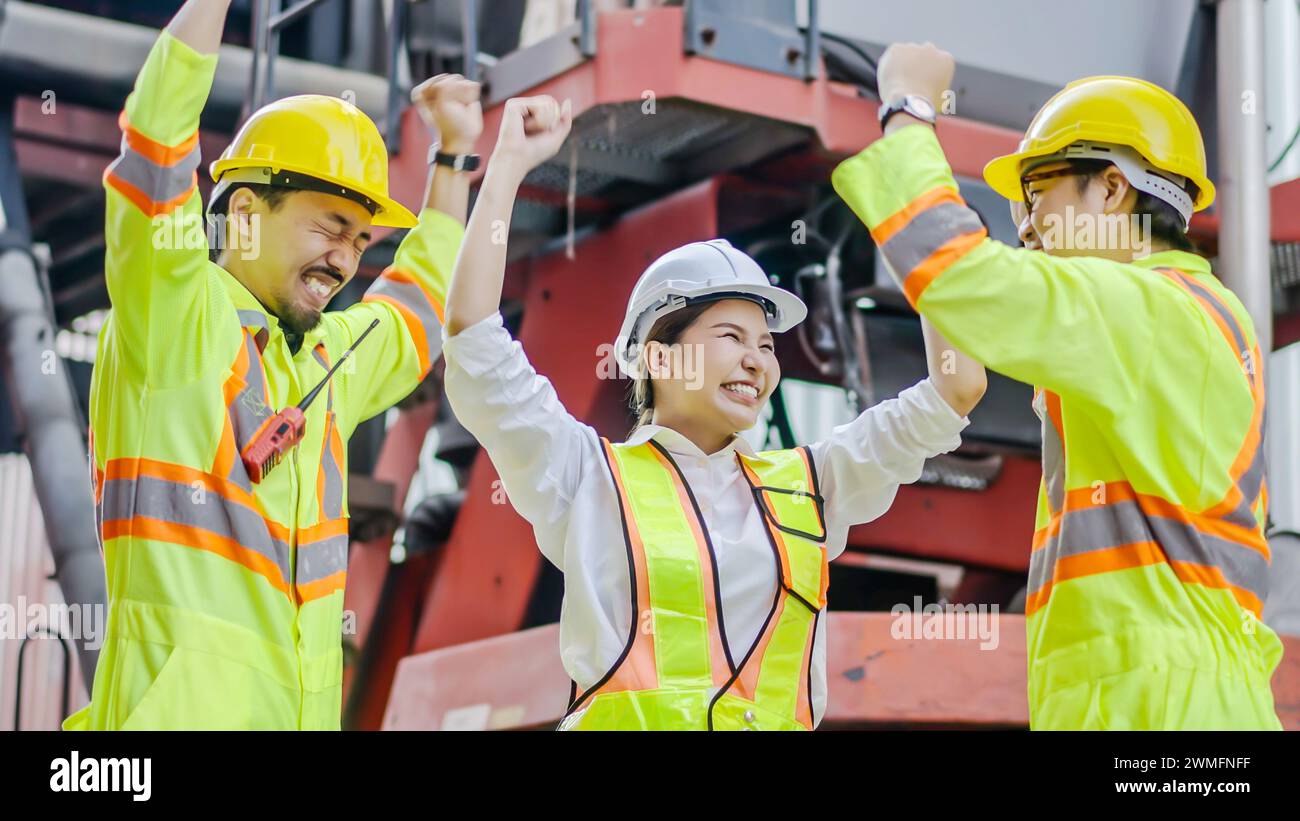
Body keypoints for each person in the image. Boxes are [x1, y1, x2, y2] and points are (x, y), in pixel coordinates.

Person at [439, 94, 988, 730]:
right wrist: (508, 163)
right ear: (657, 357)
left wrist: (926, 224)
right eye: (730, 337)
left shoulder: (811, 487)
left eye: (766, 345)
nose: (758, 361)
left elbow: (955, 389)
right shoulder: (586, 476)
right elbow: (473, 335)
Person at [832, 42, 1282, 729]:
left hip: (1162, 714)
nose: (1027, 226)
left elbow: (961, 276)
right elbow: (971, 323)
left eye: (1037, 194)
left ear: (1109, 186)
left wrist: (909, 109)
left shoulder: (1147, 310)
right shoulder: (1174, 317)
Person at [65, 0, 483, 729]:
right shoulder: (175, 318)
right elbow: (156, 151)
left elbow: (417, 308)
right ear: (248, 213)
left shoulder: (328, 363)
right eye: (331, 226)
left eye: (360, 241)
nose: (347, 260)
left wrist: (453, 155)